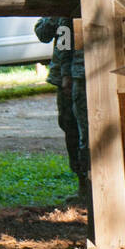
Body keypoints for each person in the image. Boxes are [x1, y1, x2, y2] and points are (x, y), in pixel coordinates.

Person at [35, 16, 85, 199]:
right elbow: (42, 33)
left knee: (82, 129)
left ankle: (89, 181)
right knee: (68, 125)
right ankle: (83, 182)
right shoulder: (60, 14)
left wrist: (66, 73)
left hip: (75, 74)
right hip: (66, 75)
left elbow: (65, 41)